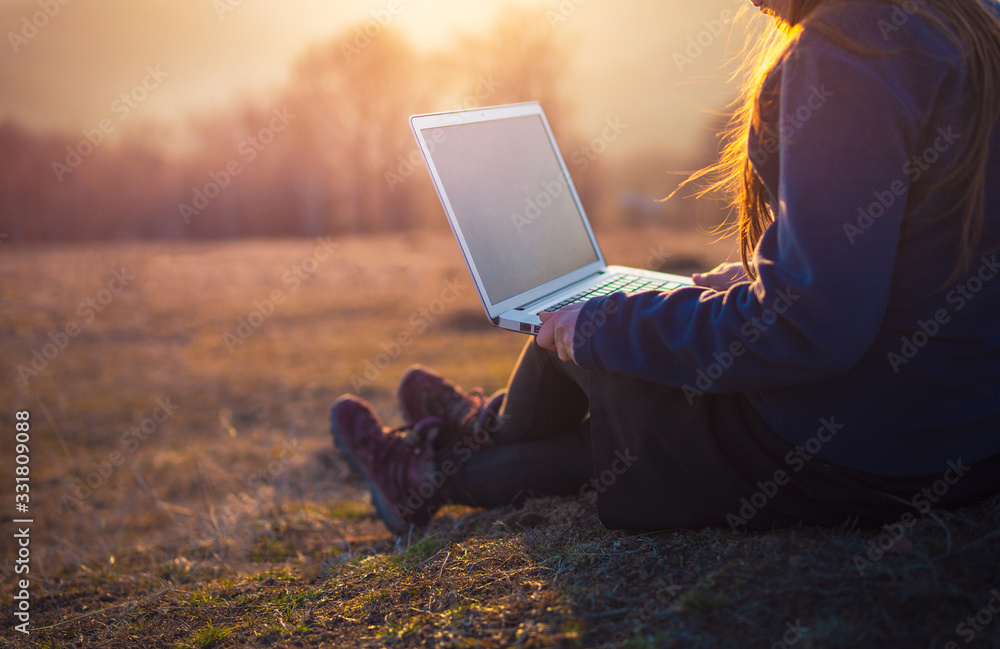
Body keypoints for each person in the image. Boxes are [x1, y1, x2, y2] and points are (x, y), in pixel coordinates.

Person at [331, 0, 1000, 535]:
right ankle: (480, 426)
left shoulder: (847, 53)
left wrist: (610, 324)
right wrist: (743, 283)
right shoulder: (961, 24)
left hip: (867, 444)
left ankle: (431, 470)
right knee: (595, 323)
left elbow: (814, 324)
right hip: (965, 433)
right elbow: (913, 253)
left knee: (614, 400)